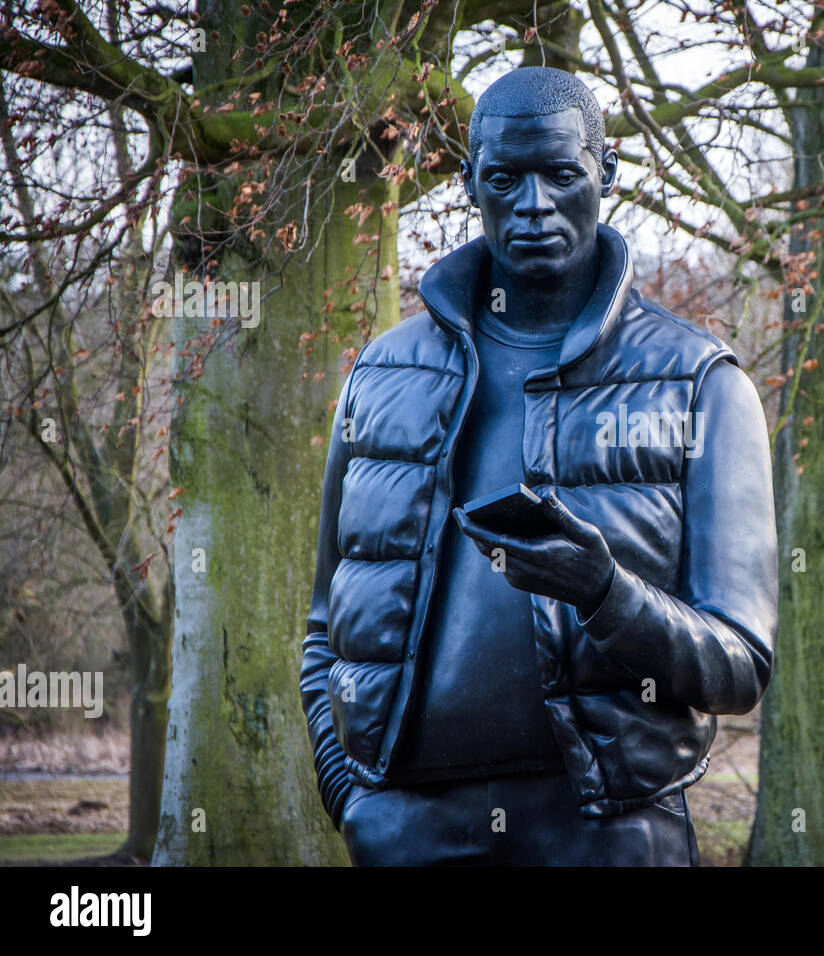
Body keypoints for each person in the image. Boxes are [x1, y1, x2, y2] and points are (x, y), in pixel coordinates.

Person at [299, 66, 777, 866]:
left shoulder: (699, 383)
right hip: (403, 830)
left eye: (560, 174)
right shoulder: (381, 376)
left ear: (606, 173)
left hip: (608, 830)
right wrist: (352, 796)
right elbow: (324, 628)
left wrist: (606, 595)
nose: (532, 206)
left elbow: (739, 663)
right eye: (504, 179)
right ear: (468, 183)